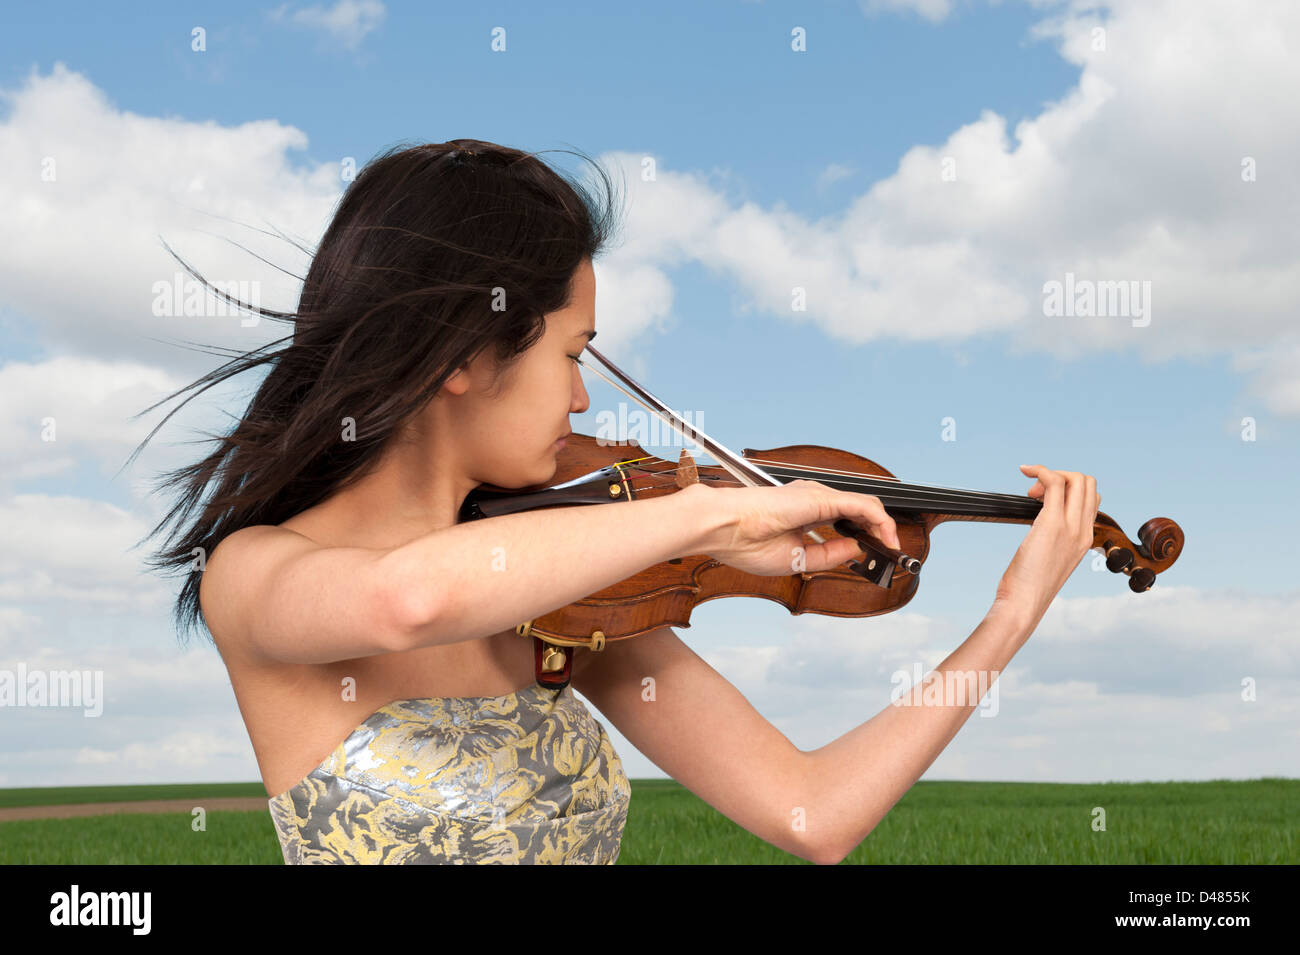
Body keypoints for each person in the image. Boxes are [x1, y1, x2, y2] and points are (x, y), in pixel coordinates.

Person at [131, 139, 1099, 865]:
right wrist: (719, 513)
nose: (585, 397)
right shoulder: (255, 577)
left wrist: (1004, 623)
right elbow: (405, 601)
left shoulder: (569, 603)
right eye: (570, 352)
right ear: (468, 354)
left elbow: (814, 812)